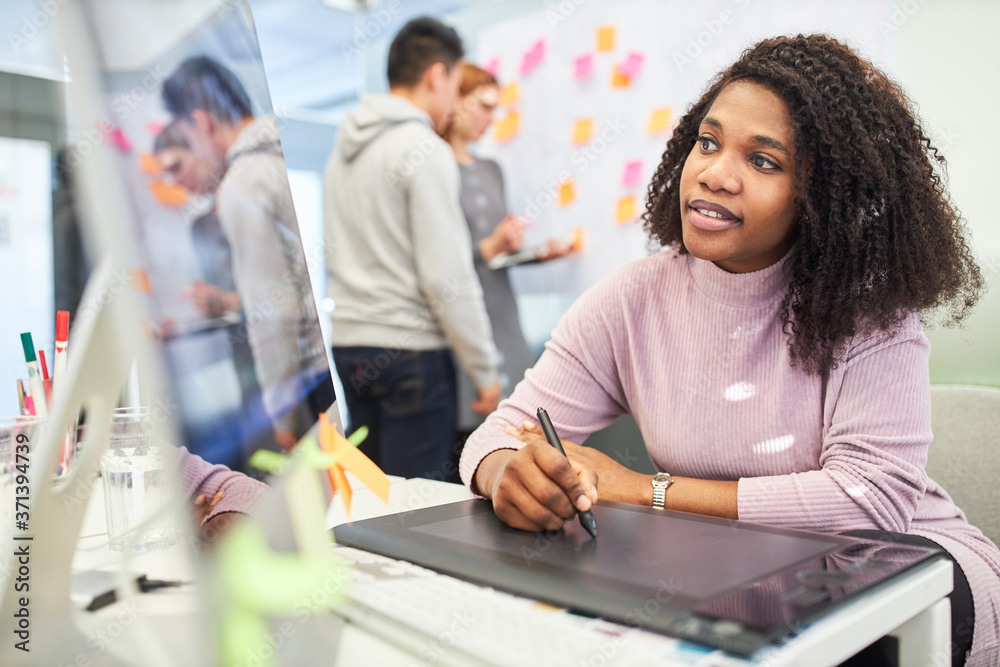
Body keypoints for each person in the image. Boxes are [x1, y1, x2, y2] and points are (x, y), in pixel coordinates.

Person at [460, 35, 997, 667]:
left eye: (764, 161)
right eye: (708, 142)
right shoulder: (632, 299)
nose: (713, 172)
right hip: (736, 578)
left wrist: (641, 492)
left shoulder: (868, 311)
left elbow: (870, 501)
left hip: (904, 572)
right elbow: (495, 436)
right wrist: (506, 475)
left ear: (821, 195)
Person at [324, 17, 500, 480]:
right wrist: (485, 370)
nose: (452, 102)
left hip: (349, 343)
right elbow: (446, 276)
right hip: (411, 353)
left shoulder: (341, 152)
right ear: (436, 76)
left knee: (369, 491)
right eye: (456, 84)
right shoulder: (424, 150)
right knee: (417, 507)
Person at [162, 57, 332, 454]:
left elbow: (276, 310)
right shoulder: (278, 157)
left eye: (187, 136)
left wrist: (281, 414)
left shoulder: (243, 182)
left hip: (311, 379)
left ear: (202, 122)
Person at [441, 63, 575, 467]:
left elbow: (491, 255)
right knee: (461, 438)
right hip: (459, 317)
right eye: (482, 105)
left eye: (495, 108)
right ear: (453, 99)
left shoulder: (492, 169)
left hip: (502, 313)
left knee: (513, 427)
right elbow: (436, 264)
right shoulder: (434, 167)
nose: (490, 117)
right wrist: (489, 246)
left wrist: (532, 253)